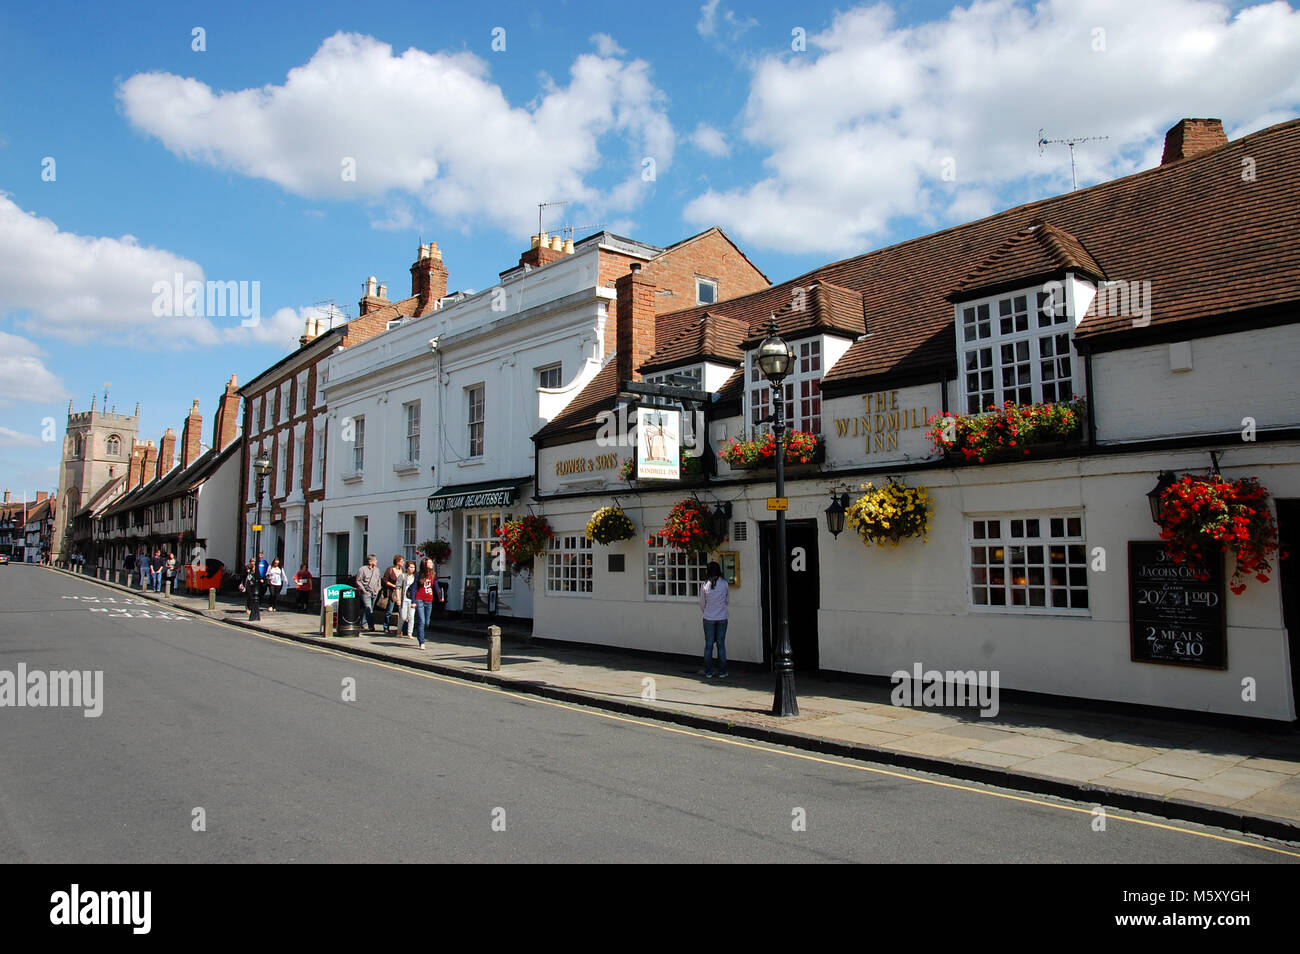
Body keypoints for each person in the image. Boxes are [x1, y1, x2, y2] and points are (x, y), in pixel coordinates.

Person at [699, 560, 729, 679]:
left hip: (709, 618)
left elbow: (702, 603)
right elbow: (727, 601)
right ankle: (722, 672)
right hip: (722, 617)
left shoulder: (705, 584)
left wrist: (708, 611)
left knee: (709, 645)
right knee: (721, 644)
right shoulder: (724, 583)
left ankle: (709, 672)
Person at [412, 557, 437, 648]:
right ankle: (421, 641)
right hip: (419, 599)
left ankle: (419, 631)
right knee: (422, 621)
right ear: (425, 564)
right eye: (430, 563)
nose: (432, 564)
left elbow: (436, 586)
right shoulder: (419, 575)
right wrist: (413, 601)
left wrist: (440, 595)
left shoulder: (433, 574)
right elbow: (414, 588)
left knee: (427, 622)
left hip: (429, 600)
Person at [355, 554, 382, 632]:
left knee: (370, 609)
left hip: (375, 591)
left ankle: (363, 623)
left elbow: (378, 580)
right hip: (366, 591)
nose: (376, 561)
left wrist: (378, 589)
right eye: (375, 560)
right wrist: (363, 590)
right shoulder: (362, 569)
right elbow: (358, 580)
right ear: (370, 561)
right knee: (368, 608)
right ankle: (371, 626)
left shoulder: (377, 570)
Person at [380, 555, 404, 635]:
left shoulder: (402, 570)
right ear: (397, 562)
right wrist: (394, 586)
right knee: (389, 611)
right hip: (392, 593)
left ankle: (400, 628)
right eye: (401, 561)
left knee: (401, 612)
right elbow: (385, 580)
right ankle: (386, 627)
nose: (403, 563)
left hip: (400, 593)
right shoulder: (390, 570)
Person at [398, 560, 417, 637]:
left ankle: (410, 633)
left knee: (411, 616)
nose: (412, 569)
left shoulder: (415, 577)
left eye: (414, 567)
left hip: (412, 599)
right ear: (407, 568)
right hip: (404, 599)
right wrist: (398, 599)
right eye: (411, 567)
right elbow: (397, 587)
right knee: (403, 617)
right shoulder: (402, 576)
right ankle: (399, 631)